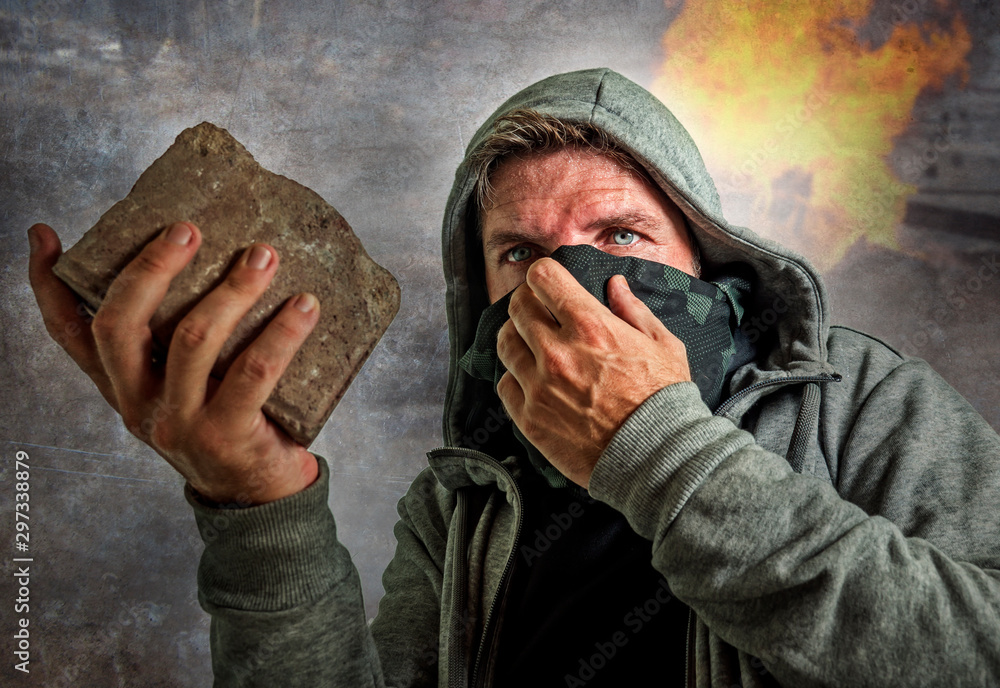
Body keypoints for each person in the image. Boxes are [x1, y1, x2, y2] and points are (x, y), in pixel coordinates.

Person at [28, 68, 1000, 687]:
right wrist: (254, 502)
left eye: (620, 235)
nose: (565, 279)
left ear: (708, 261)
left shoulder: (868, 403)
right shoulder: (463, 497)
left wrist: (658, 452)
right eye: (520, 254)